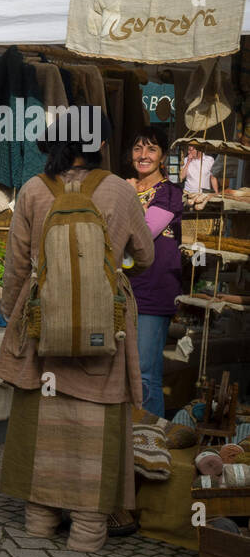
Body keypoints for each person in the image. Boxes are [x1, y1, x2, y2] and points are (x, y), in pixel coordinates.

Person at [0, 129, 152, 553]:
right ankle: (87, 532)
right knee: (96, 424)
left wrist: (15, 316)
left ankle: (41, 521)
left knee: (41, 422)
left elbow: (14, 264)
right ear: (99, 146)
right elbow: (146, 255)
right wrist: (108, 280)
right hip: (106, 331)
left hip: (44, 328)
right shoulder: (120, 191)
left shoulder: (32, 190)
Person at [126, 130, 183, 420]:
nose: (143, 155)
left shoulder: (170, 193)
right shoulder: (124, 189)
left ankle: (151, 446)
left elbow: (143, 233)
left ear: (162, 156)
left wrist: (130, 204)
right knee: (123, 372)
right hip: (123, 288)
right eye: (137, 149)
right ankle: (127, 441)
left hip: (153, 290)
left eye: (151, 149)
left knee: (146, 373)